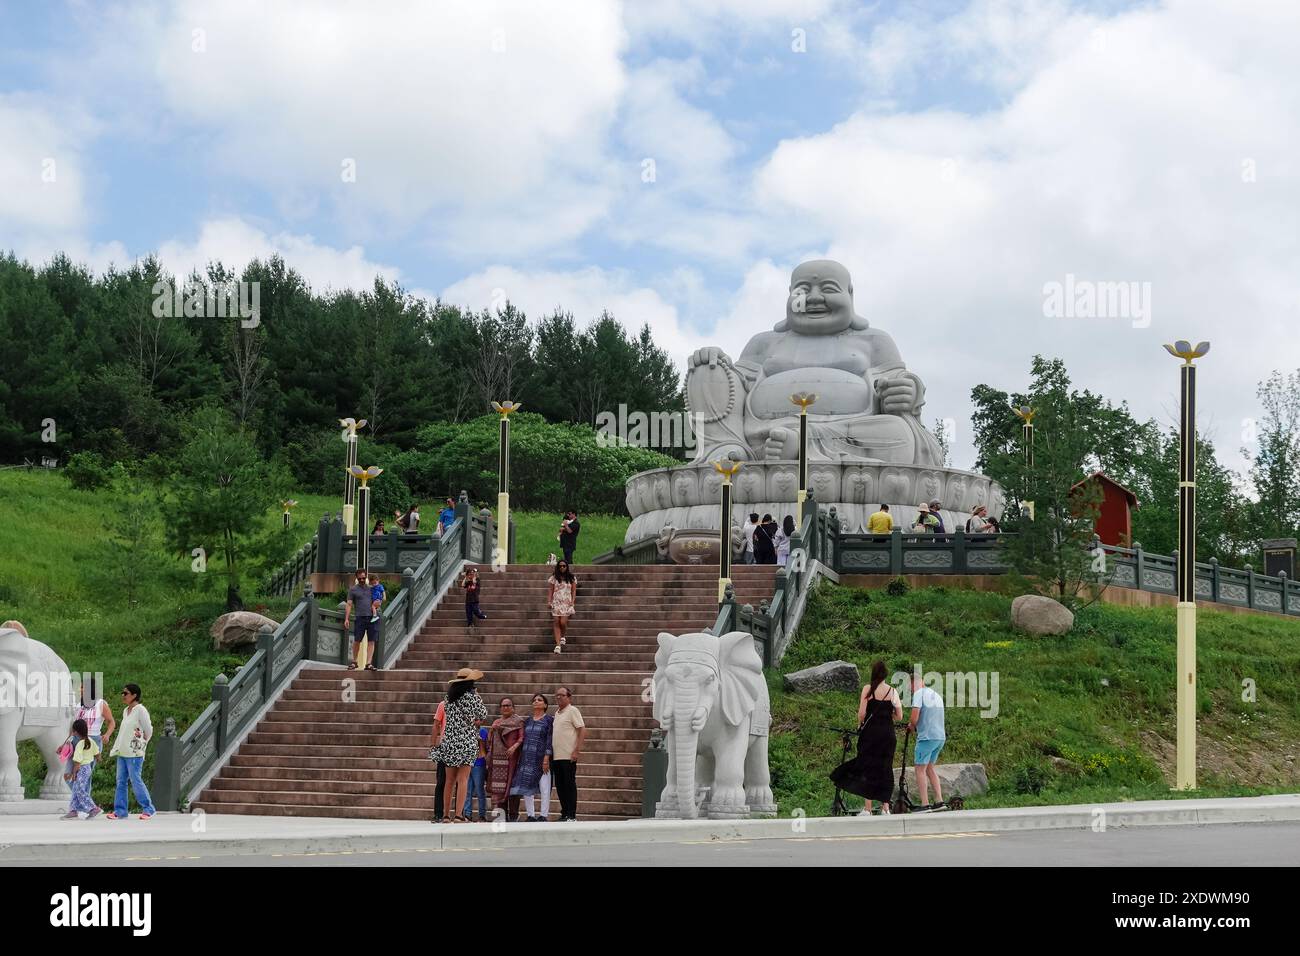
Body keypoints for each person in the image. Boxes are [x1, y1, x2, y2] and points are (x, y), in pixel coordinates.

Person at [830, 661, 903, 815]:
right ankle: (885, 807)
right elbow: (899, 716)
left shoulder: (868, 689)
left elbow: (862, 713)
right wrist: (887, 714)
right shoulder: (893, 691)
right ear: (885, 675)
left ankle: (868, 808)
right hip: (888, 736)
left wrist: (859, 725)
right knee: (885, 768)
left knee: (867, 767)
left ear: (873, 673)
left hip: (870, 734)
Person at [429, 668, 488, 823]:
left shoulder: (448, 698)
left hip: (449, 741)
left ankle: (446, 815)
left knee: (449, 780)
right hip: (467, 742)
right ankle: (459, 815)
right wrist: (477, 697)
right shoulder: (472, 698)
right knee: (463, 779)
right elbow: (482, 715)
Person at [106, 683, 155, 820]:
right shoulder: (125, 710)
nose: (123, 695)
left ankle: (148, 809)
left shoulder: (140, 710)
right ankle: (120, 811)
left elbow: (148, 729)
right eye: (122, 693)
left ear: (134, 695)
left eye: (126, 693)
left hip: (134, 752)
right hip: (122, 752)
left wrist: (143, 743)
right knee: (121, 781)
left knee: (135, 780)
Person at [511, 694, 554, 822]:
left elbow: (549, 739)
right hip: (527, 759)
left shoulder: (549, 720)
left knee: (544, 788)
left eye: (539, 700)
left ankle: (543, 815)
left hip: (542, 759)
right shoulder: (528, 721)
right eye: (534, 700)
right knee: (526, 788)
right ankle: (530, 815)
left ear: (545, 705)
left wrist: (546, 757)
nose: (536, 702)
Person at [908, 669, 947, 811]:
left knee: (919, 769)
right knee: (930, 768)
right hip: (940, 737)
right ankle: (939, 801)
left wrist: (911, 726)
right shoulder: (935, 694)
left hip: (927, 737)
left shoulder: (919, 694)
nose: (910, 690)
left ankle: (925, 804)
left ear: (915, 683)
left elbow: (914, 717)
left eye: (909, 686)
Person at [486, 697, 525, 821]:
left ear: (513, 708)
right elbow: (489, 740)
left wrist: (514, 747)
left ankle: (514, 815)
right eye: (503, 706)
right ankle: (502, 815)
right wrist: (492, 730)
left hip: (513, 759)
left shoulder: (518, 721)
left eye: (508, 705)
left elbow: (521, 737)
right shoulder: (497, 722)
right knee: (499, 787)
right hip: (498, 760)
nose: (505, 708)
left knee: (512, 786)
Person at [551, 686, 586, 822]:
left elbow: (582, 730)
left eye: (562, 695)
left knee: (569, 785)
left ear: (569, 697)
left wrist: (576, 750)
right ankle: (564, 812)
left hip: (568, 755)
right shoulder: (557, 713)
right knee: (560, 786)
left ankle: (571, 814)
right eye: (557, 695)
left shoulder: (572, 710)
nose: (559, 697)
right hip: (557, 756)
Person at [61, 718, 102, 820]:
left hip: (81, 769)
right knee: (76, 788)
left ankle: (93, 808)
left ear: (77, 732)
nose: (73, 733)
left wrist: (74, 774)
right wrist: (97, 759)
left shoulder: (80, 744)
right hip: (87, 768)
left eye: (74, 731)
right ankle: (73, 810)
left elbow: (77, 762)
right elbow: (97, 754)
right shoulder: (91, 741)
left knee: (79, 789)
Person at [343, 569, 379, 670]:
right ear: (357, 578)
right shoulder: (353, 589)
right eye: (360, 578)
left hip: (372, 617)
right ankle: (354, 661)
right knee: (357, 640)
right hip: (360, 617)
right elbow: (349, 604)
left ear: (366, 576)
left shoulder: (372, 588)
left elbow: (380, 599)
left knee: (371, 641)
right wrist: (346, 619)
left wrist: (378, 603)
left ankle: (368, 663)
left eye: (364, 578)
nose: (362, 580)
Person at [77, 677, 115, 760]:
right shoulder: (78, 703)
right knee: (71, 770)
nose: (80, 690)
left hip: (92, 739)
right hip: (77, 738)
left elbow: (111, 721)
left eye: (82, 687)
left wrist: (107, 734)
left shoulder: (100, 704)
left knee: (85, 770)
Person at [547, 561, 578, 654]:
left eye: (564, 566)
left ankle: (563, 636)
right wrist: (549, 601)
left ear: (567, 567)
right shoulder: (554, 578)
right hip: (556, 602)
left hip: (566, 603)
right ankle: (558, 645)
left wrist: (572, 602)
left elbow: (573, 591)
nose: (562, 568)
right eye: (560, 566)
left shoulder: (572, 578)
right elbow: (551, 590)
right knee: (556, 622)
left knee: (563, 622)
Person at [462, 722, 489, 822]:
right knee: (467, 790)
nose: (475, 721)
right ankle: (467, 814)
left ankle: (482, 814)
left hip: (479, 763)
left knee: (479, 790)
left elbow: (485, 747)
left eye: (478, 719)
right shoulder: (465, 730)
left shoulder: (483, 731)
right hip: (467, 763)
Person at [428, 698, 447, 822]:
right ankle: (438, 814)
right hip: (445, 746)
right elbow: (436, 724)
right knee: (441, 782)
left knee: (460, 782)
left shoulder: (467, 703)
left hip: (461, 746)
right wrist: (433, 744)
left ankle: (459, 815)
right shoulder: (443, 704)